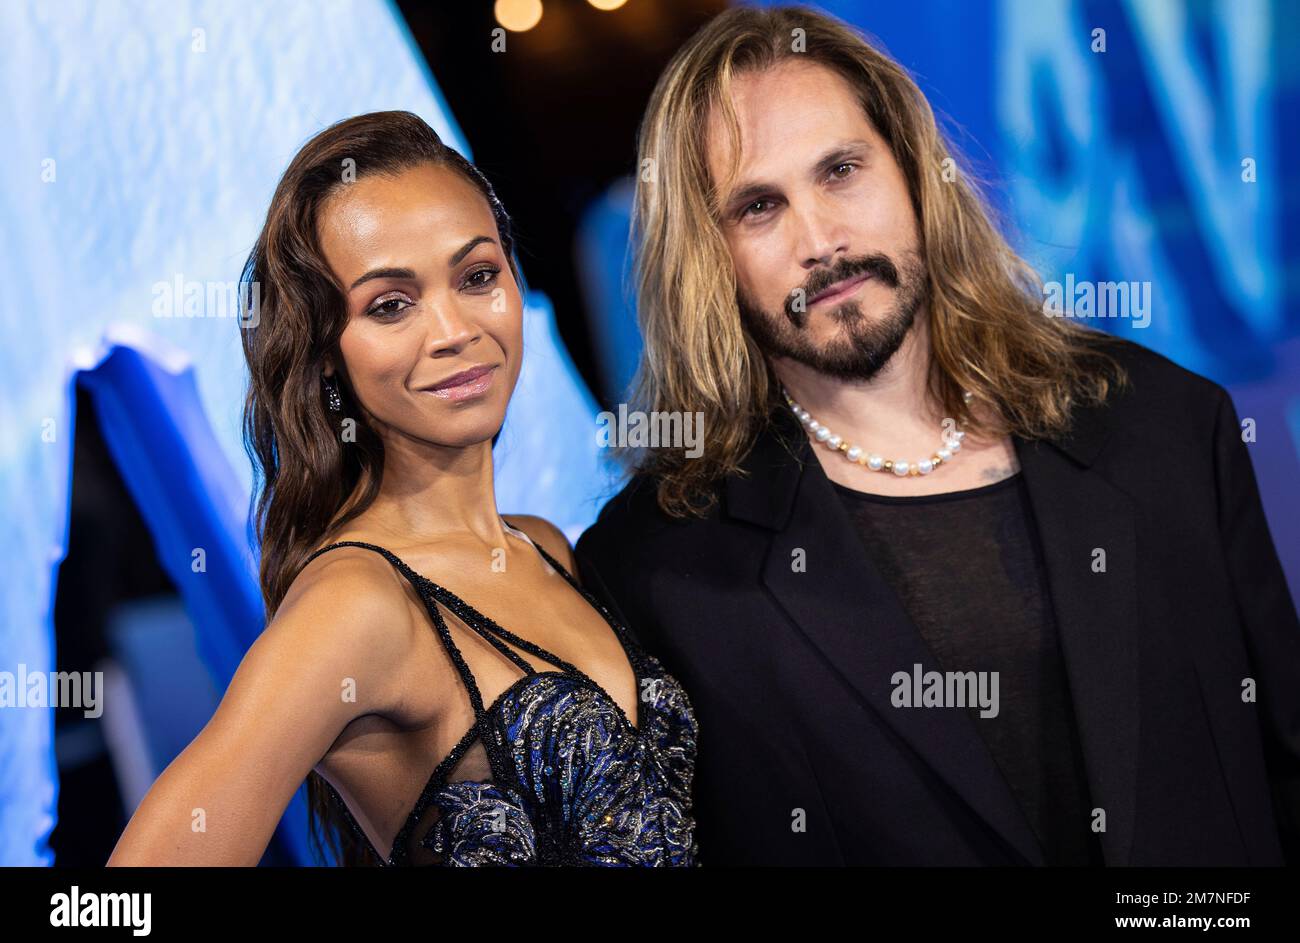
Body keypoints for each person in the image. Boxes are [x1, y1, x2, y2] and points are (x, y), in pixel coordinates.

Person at [575, 6, 1300, 865]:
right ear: (707, 257)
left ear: (917, 171)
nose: (821, 241)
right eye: (759, 207)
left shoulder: (1169, 427)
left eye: (842, 170)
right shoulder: (659, 569)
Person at [108, 111, 698, 867]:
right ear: (324, 353)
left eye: (478, 276)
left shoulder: (544, 545)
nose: (453, 329)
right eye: (391, 304)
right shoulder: (357, 602)